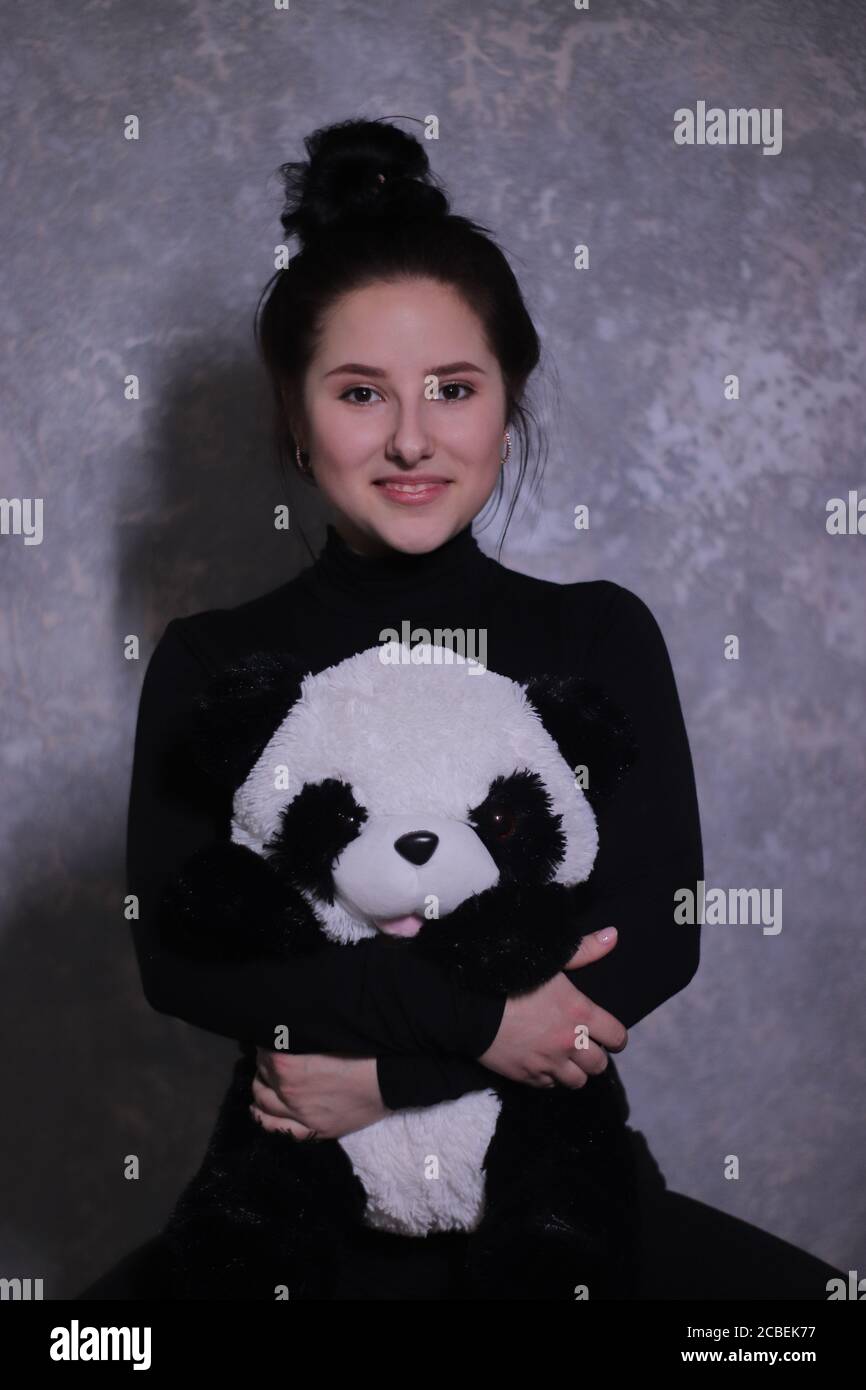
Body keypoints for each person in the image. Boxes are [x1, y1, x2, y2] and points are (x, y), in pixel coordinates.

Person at [77, 118, 842, 1301]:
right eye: (357, 392)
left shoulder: (594, 634)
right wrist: (484, 1022)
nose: (409, 438)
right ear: (293, 411)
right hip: (293, 1206)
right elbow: (183, 960)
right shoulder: (217, 660)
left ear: (505, 396)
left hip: (563, 1207)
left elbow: (653, 934)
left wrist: (382, 1078)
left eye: (451, 387)